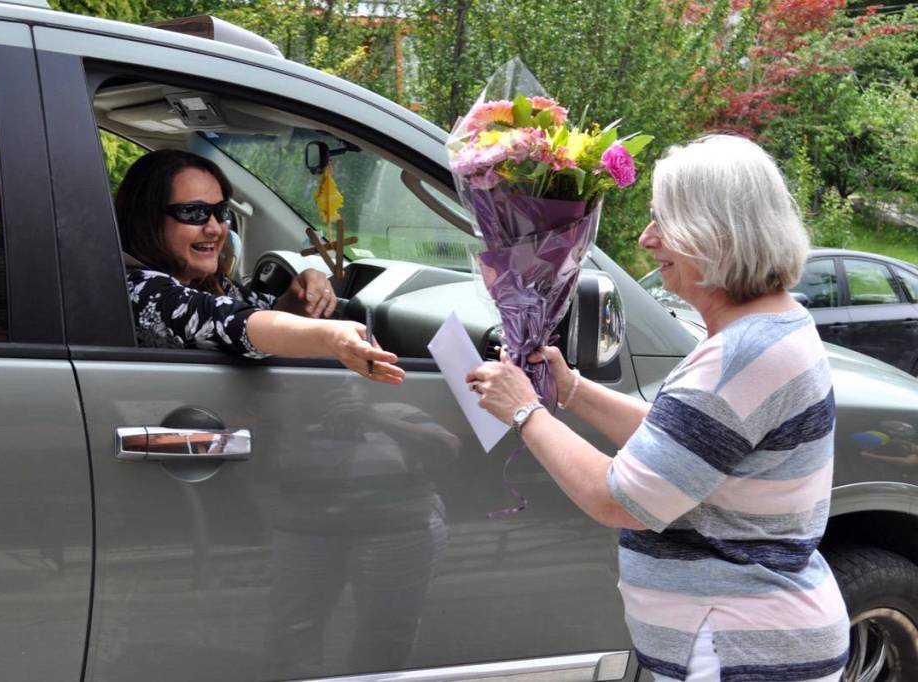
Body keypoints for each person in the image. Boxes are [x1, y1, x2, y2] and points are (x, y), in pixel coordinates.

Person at [466, 135, 849, 682]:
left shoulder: (744, 354)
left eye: (663, 223)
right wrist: (570, 389)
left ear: (718, 232)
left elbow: (620, 500)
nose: (647, 240)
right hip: (751, 642)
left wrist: (527, 411)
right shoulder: (768, 329)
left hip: (742, 651)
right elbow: (688, 450)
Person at [116, 149, 404, 384]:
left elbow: (256, 316)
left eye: (221, 212)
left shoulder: (204, 282)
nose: (215, 228)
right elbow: (232, 323)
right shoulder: (141, 290)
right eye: (194, 213)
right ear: (147, 219)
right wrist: (331, 337)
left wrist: (296, 300)